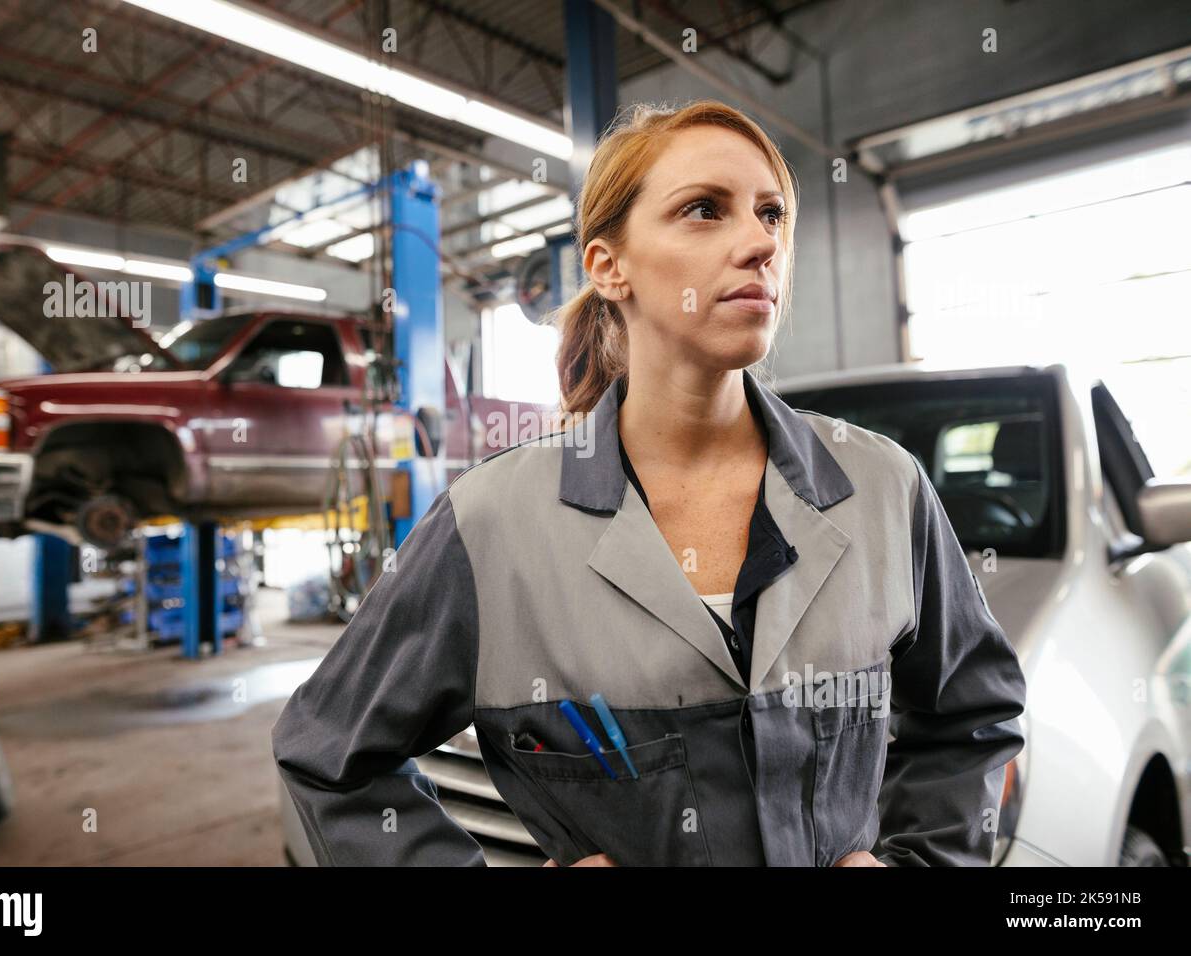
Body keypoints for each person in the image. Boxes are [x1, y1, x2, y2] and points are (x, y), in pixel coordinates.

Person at [271, 98, 1027, 867]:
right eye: (705, 210)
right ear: (609, 266)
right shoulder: (492, 525)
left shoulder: (883, 490)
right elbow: (327, 760)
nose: (762, 242)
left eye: (771, 214)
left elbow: (975, 720)